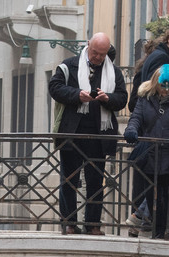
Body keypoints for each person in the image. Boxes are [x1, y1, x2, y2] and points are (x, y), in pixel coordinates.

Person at [49, 33, 127, 235]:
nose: (98, 57)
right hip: (72, 132)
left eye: (102, 54)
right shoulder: (69, 65)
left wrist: (107, 98)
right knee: (69, 179)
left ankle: (93, 224)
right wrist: (77, 95)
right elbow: (54, 88)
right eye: (95, 53)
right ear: (88, 46)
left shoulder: (114, 72)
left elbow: (122, 99)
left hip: (99, 135)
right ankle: (69, 223)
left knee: (96, 181)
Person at [125, 26, 169, 236]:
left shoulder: (157, 55)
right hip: (157, 131)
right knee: (168, 182)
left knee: (163, 182)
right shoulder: (162, 59)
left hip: (154, 130)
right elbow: (154, 90)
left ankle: (144, 218)